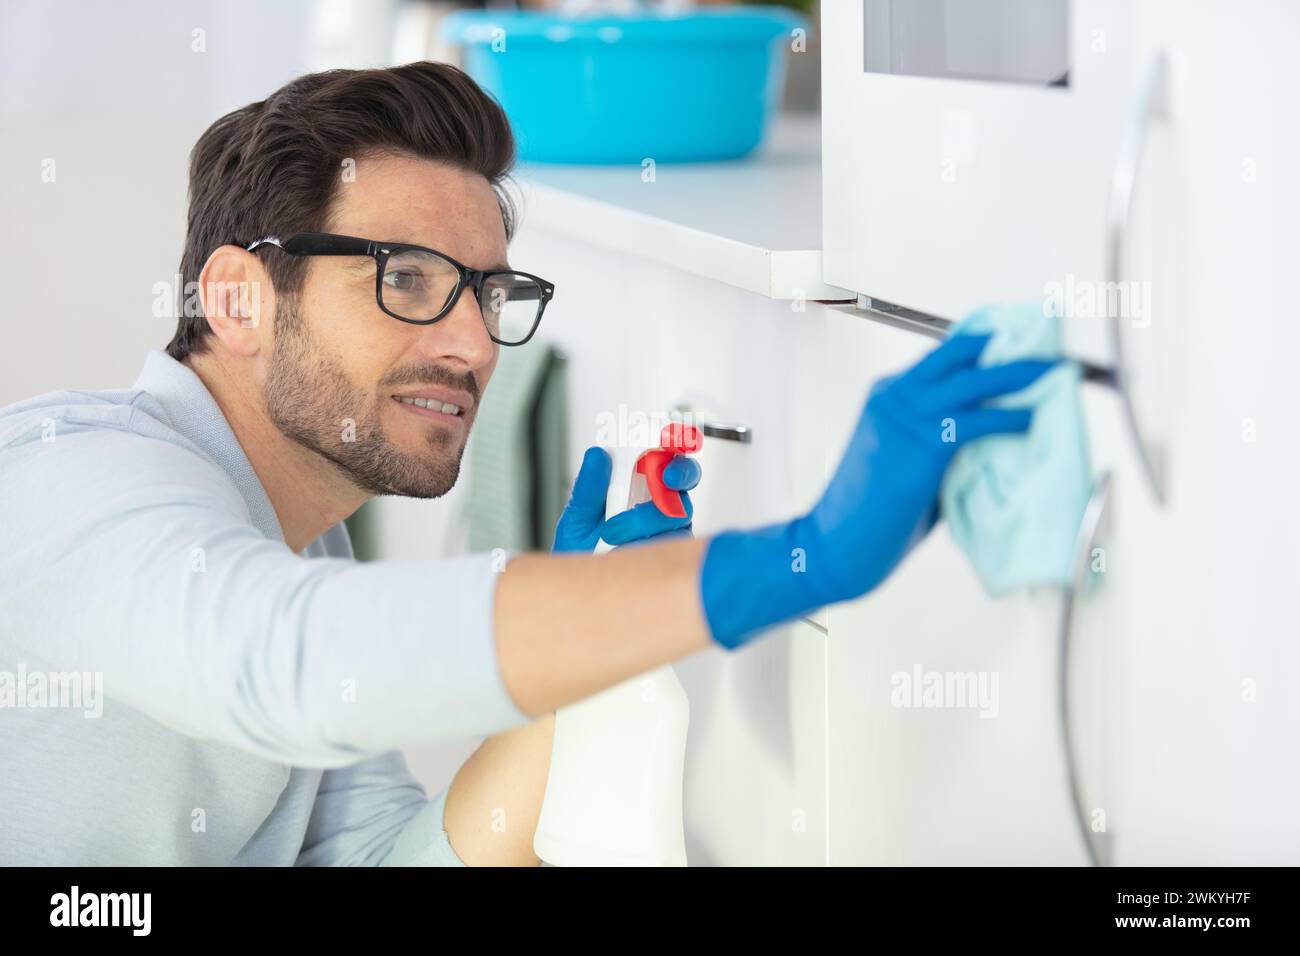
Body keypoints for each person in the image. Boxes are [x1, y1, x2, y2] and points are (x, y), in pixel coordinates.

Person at [0, 62, 1053, 866]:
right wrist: (790, 559)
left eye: (486, 293)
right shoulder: (70, 478)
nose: (469, 343)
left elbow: (391, 858)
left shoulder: (302, 540)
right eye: (407, 276)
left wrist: (588, 645)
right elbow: (282, 659)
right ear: (237, 298)